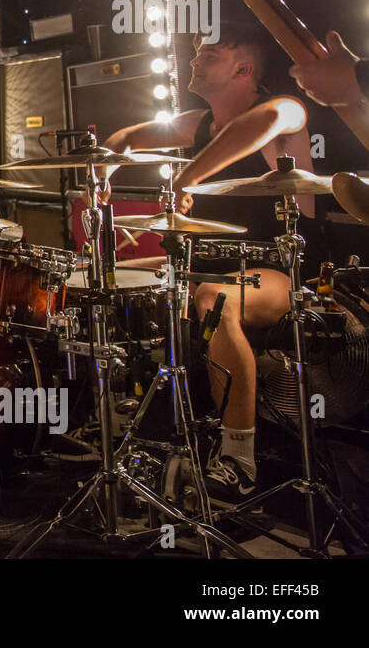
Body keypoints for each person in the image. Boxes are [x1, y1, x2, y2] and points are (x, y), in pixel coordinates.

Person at [102, 27, 315, 507]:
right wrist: (104, 167)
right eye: (196, 52)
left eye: (210, 55)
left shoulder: (287, 110)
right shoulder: (198, 123)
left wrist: (188, 175)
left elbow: (258, 122)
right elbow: (125, 137)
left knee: (211, 299)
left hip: (283, 269)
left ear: (244, 70)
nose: (195, 61)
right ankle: (136, 429)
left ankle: (239, 459)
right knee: (113, 276)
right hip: (212, 264)